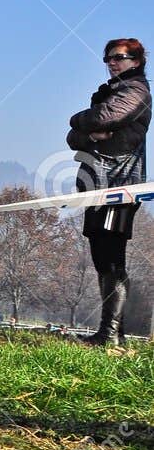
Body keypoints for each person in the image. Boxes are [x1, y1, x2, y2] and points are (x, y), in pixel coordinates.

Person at [67, 37, 150, 347]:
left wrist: (79, 121)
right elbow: (74, 138)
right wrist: (88, 132)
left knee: (113, 260)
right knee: (102, 257)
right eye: (109, 58)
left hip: (120, 185)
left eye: (119, 57)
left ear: (136, 61)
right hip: (96, 183)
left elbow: (101, 118)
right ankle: (113, 334)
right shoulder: (110, 92)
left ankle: (110, 335)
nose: (112, 62)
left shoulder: (135, 90)